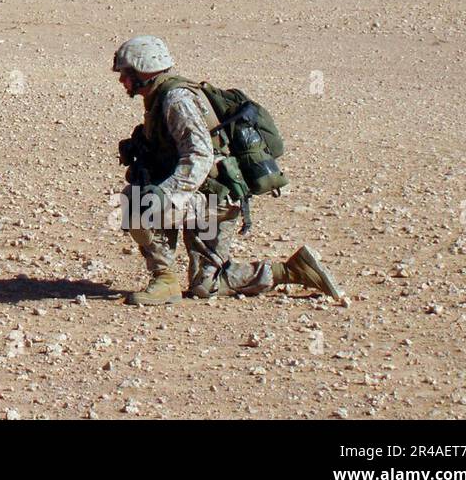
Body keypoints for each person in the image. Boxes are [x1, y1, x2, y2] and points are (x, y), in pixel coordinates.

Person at [112, 35, 342, 306]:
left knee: (137, 202)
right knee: (205, 286)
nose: (121, 81)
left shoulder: (176, 100)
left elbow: (199, 155)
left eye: (126, 73)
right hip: (208, 197)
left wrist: (166, 194)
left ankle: (165, 280)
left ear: (144, 70)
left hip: (215, 201)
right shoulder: (160, 96)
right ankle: (292, 270)